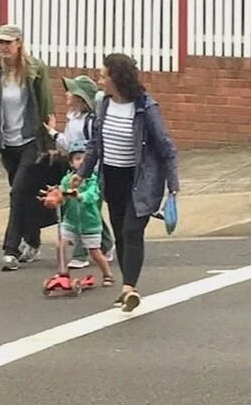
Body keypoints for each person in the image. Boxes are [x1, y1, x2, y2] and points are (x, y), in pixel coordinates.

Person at [70, 54, 179, 313]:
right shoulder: (104, 104)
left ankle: (129, 287)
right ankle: (127, 287)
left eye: (103, 75)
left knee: (132, 231)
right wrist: (82, 174)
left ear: (116, 78)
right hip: (113, 177)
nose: (100, 79)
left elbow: (166, 146)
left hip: (141, 180)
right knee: (120, 231)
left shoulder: (145, 107)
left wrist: (173, 185)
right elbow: (96, 144)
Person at [0, 24, 58, 272]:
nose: (4, 47)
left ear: (19, 44)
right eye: (0, 42)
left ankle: (10, 249)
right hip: (8, 143)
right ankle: (32, 241)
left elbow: (46, 105)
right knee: (24, 193)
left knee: (17, 193)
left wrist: (50, 142)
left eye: (8, 43)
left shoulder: (35, 69)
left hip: (30, 141)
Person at [48, 76, 115, 268]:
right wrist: (53, 133)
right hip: (79, 171)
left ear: (81, 97)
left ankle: (80, 254)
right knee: (88, 210)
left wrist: (54, 134)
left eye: (71, 91)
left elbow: (76, 145)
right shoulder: (74, 118)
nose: (67, 94)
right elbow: (68, 145)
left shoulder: (89, 121)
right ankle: (106, 243)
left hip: (91, 172)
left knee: (83, 208)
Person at [41, 141, 113, 288]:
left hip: (90, 223)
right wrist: (54, 195)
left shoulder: (92, 180)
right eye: (77, 159)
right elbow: (61, 191)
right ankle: (63, 272)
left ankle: (107, 274)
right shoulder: (67, 179)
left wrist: (80, 196)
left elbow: (92, 195)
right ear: (71, 163)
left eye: (84, 159)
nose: (80, 162)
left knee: (95, 252)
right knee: (60, 244)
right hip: (71, 221)